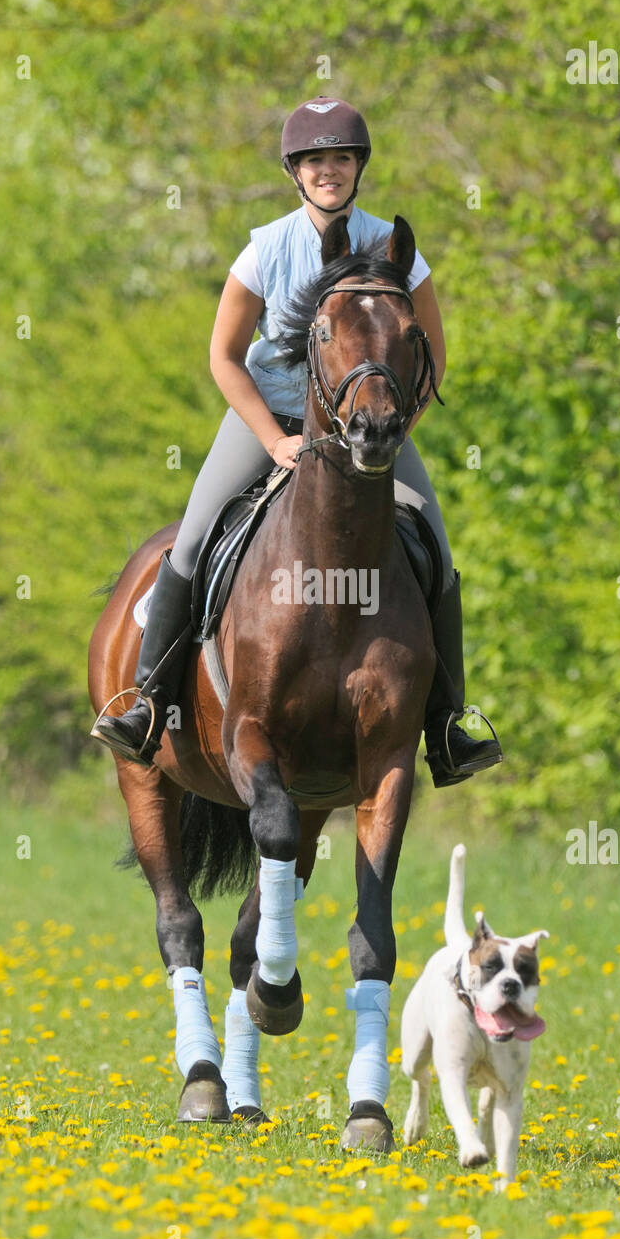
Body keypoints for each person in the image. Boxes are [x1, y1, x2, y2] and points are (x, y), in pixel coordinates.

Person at [91, 98, 502, 787]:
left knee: (436, 550)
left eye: (341, 158)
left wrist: (391, 435)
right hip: (269, 421)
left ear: (358, 167)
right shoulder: (265, 249)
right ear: (295, 172)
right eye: (315, 161)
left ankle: (447, 725)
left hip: (368, 430)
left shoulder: (397, 251)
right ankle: (147, 704)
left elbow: (429, 361)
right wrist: (271, 441)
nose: (329, 171)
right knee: (190, 544)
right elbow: (224, 356)